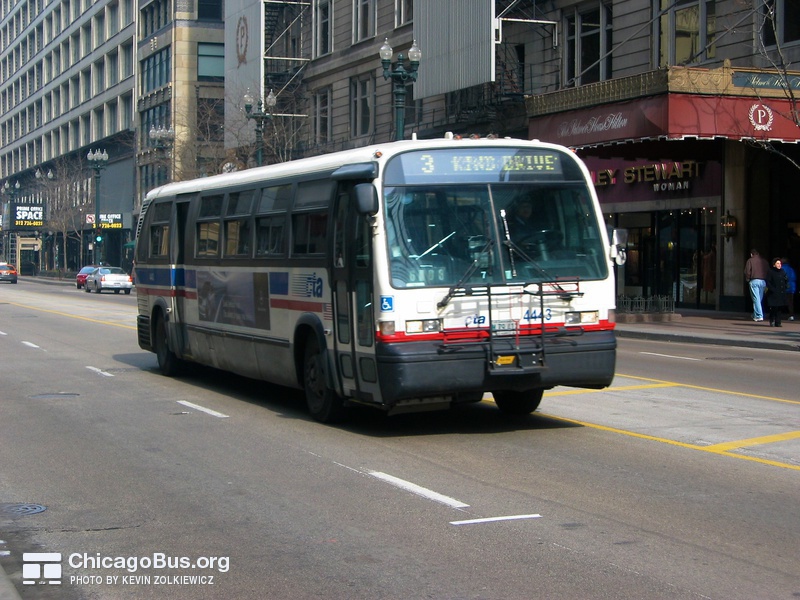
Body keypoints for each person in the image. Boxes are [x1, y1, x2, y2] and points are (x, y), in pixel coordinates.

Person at [744, 249, 769, 322]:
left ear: (751, 254)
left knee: (756, 298)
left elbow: (747, 271)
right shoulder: (765, 261)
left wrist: (748, 278)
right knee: (759, 299)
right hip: (763, 281)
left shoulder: (750, 260)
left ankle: (759, 315)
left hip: (754, 280)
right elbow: (768, 271)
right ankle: (755, 314)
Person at [766, 257, 788, 327]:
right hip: (773, 293)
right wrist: (773, 289)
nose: (779, 265)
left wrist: (786, 286)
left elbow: (785, 280)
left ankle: (778, 322)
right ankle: (772, 320)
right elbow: (768, 282)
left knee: (779, 308)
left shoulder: (782, 271)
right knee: (774, 308)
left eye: (780, 263)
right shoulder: (771, 271)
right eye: (777, 263)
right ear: (774, 264)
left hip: (781, 292)